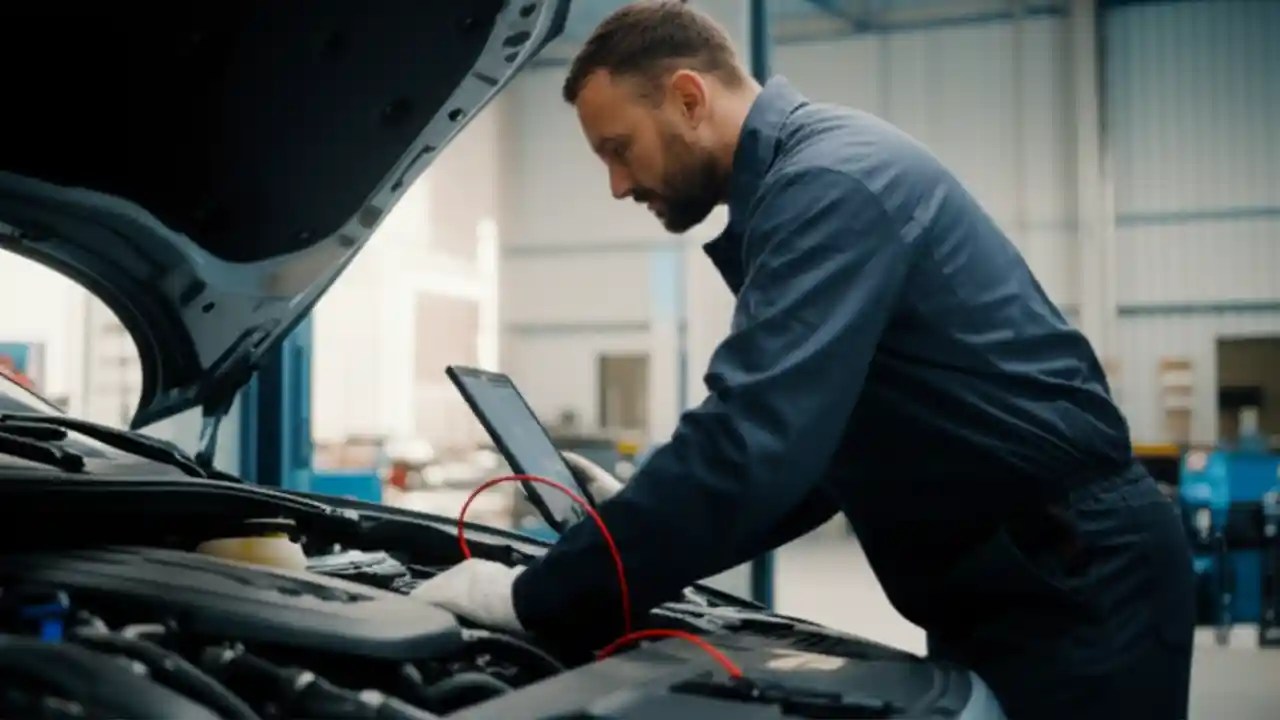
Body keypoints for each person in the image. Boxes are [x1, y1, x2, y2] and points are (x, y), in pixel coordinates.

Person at [412, 2, 1195, 718]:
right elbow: (821, 452)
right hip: (1021, 575)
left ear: (690, 98)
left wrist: (534, 598)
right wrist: (637, 518)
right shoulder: (806, 178)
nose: (617, 185)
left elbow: (759, 439)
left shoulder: (828, 183)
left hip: (1081, 583)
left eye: (619, 150)